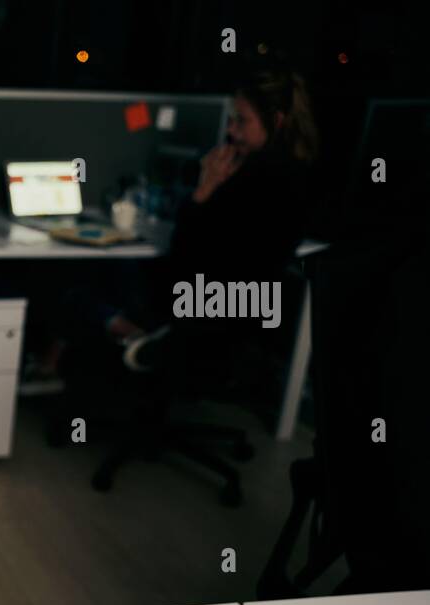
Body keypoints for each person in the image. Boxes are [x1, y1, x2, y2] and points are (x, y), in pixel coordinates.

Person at [32, 66, 319, 382]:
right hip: (238, 312)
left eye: (242, 120)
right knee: (98, 270)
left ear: (276, 122)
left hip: (191, 302)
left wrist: (205, 188)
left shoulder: (252, 178)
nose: (232, 131)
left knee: (75, 273)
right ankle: (136, 342)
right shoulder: (297, 176)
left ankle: (130, 335)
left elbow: (187, 253)